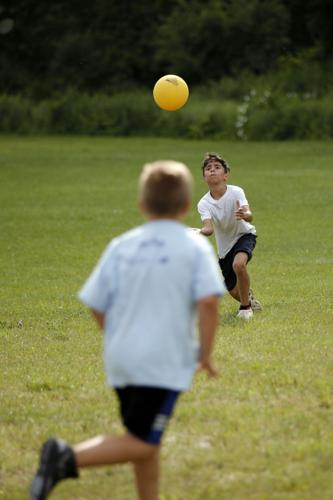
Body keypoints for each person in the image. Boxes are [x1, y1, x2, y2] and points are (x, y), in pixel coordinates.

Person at [30, 160, 225, 500]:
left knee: (142, 438)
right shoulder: (194, 247)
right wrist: (205, 354)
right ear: (184, 206)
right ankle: (64, 457)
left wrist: (115, 335)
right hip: (161, 362)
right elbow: (209, 302)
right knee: (141, 440)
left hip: (122, 359)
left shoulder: (122, 244)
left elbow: (95, 301)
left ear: (141, 204)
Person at [193, 153, 261, 320]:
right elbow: (209, 229)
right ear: (204, 178)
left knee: (239, 265)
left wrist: (245, 215)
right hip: (225, 248)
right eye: (208, 169)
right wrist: (199, 232)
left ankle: (245, 309)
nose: (212, 170)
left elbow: (249, 214)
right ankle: (248, 299)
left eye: (217, 167)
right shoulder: (203, 204)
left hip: (244, 235)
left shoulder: (236, 191)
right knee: (232, 289)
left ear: (225, 175)